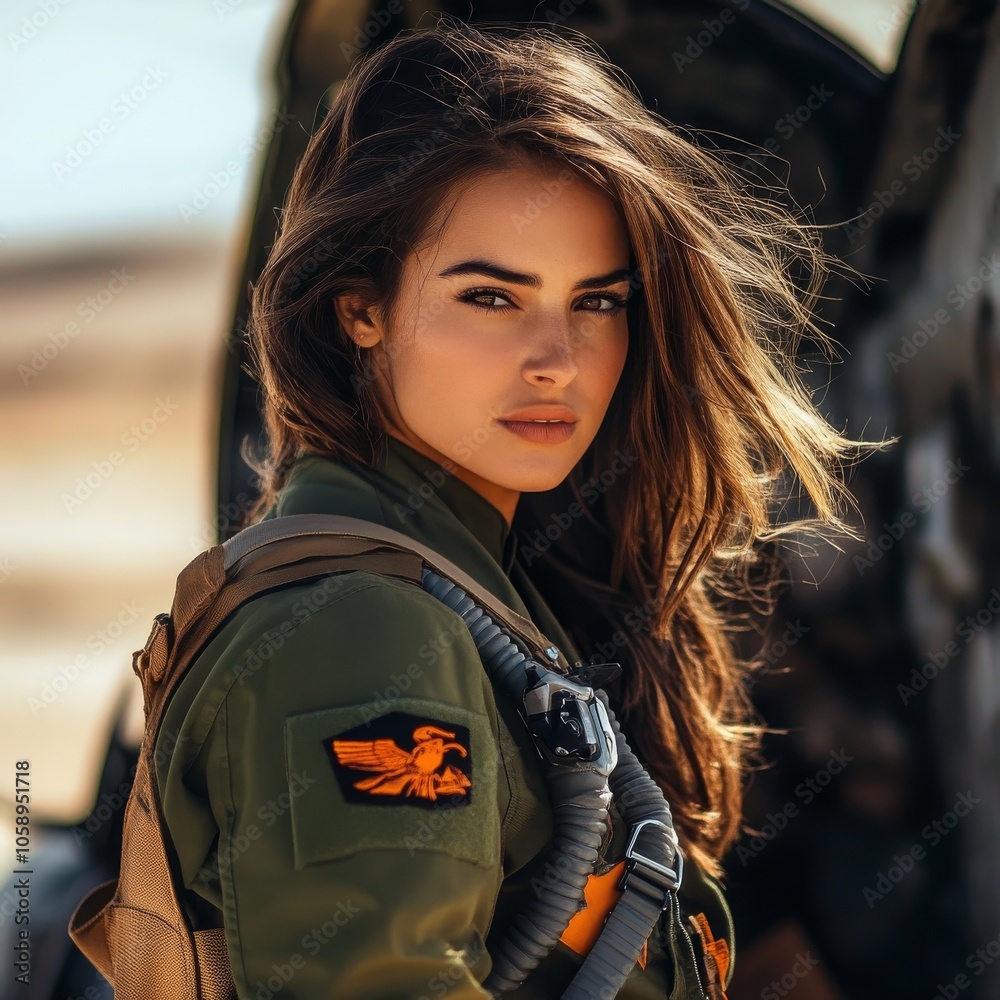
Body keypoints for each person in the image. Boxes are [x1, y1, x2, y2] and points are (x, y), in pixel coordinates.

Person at [155, 16, 877, 1000]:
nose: (559, 359)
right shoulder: (365, 630)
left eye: (598, 300)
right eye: (492, 298)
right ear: (356, 307)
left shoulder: (464, 598)